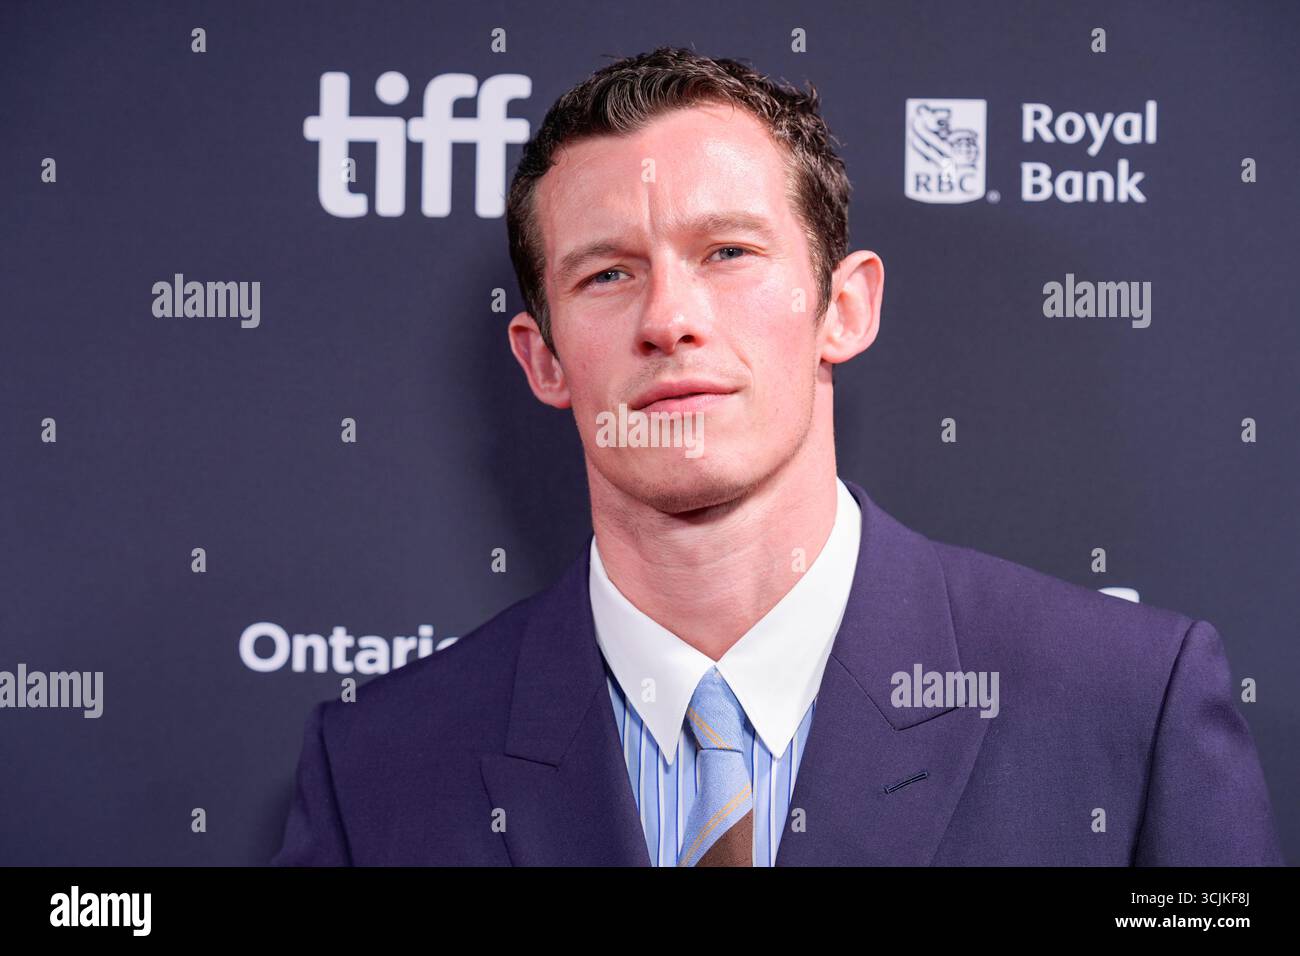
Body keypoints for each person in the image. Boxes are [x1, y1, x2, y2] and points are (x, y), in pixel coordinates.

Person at [272, 47, 1283, 866]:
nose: (669, 318)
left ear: (843, 307)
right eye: (609, 272)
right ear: (542, 361)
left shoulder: (1121, 705)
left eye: (728, 253)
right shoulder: (381, 766)